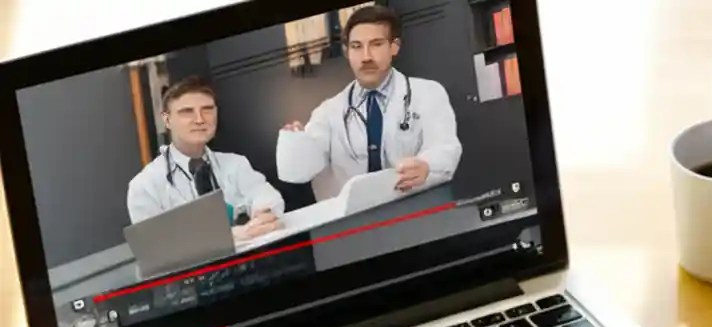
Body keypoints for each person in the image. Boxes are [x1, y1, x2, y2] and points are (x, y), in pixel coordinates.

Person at [275, 5, 462, 202]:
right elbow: (300, 172)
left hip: (417, 209)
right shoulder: (328, 112)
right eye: (356, 46)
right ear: (347, 51)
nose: (366, 57)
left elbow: (445, 146)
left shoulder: (429, 93)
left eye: (376, 44)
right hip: (352, 223)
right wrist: (295, 143)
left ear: (394, 47)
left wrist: (427, 165)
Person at [126, 76, 285, 241]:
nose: (200, 120)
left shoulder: (235, 164)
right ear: (167, 120)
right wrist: (229, 236)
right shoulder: (144, 186)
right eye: (187, 112)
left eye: (207, 109)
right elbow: (154, 246)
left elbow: (266, 195)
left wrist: (263, 215)